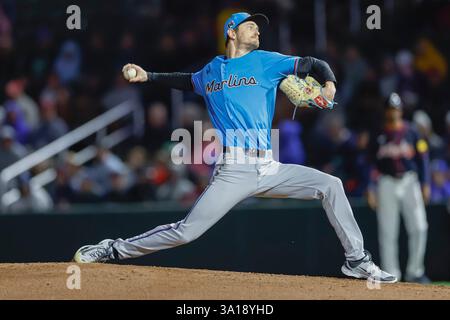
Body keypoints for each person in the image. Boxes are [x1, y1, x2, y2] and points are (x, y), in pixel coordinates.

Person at [73, 12, 396, 283]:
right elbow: (188, 81)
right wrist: (149, 76)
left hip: (269, 167)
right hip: (234, 169)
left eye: (258, 25)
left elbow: (314, 63)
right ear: (232, 31)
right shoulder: (211, 70)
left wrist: (328, 84)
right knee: (187, 232)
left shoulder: (266, 62)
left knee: (331, 185)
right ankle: (113, 248)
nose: (257, 29)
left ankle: (356, 260)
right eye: (250, 24)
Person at [367, 93, 431, 284]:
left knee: (419, 227)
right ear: (386, 111)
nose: (393, 112)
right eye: (390, 108)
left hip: (410, 181)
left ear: (400, 110)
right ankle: (391, 273)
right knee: (388, 231)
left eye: (396, 108)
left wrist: (426, 183)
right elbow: (370, 163)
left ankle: (415, 272)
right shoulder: (378, 133)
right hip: (386, 183)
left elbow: (423, 159)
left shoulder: (412, 131)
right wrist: (371, 187)